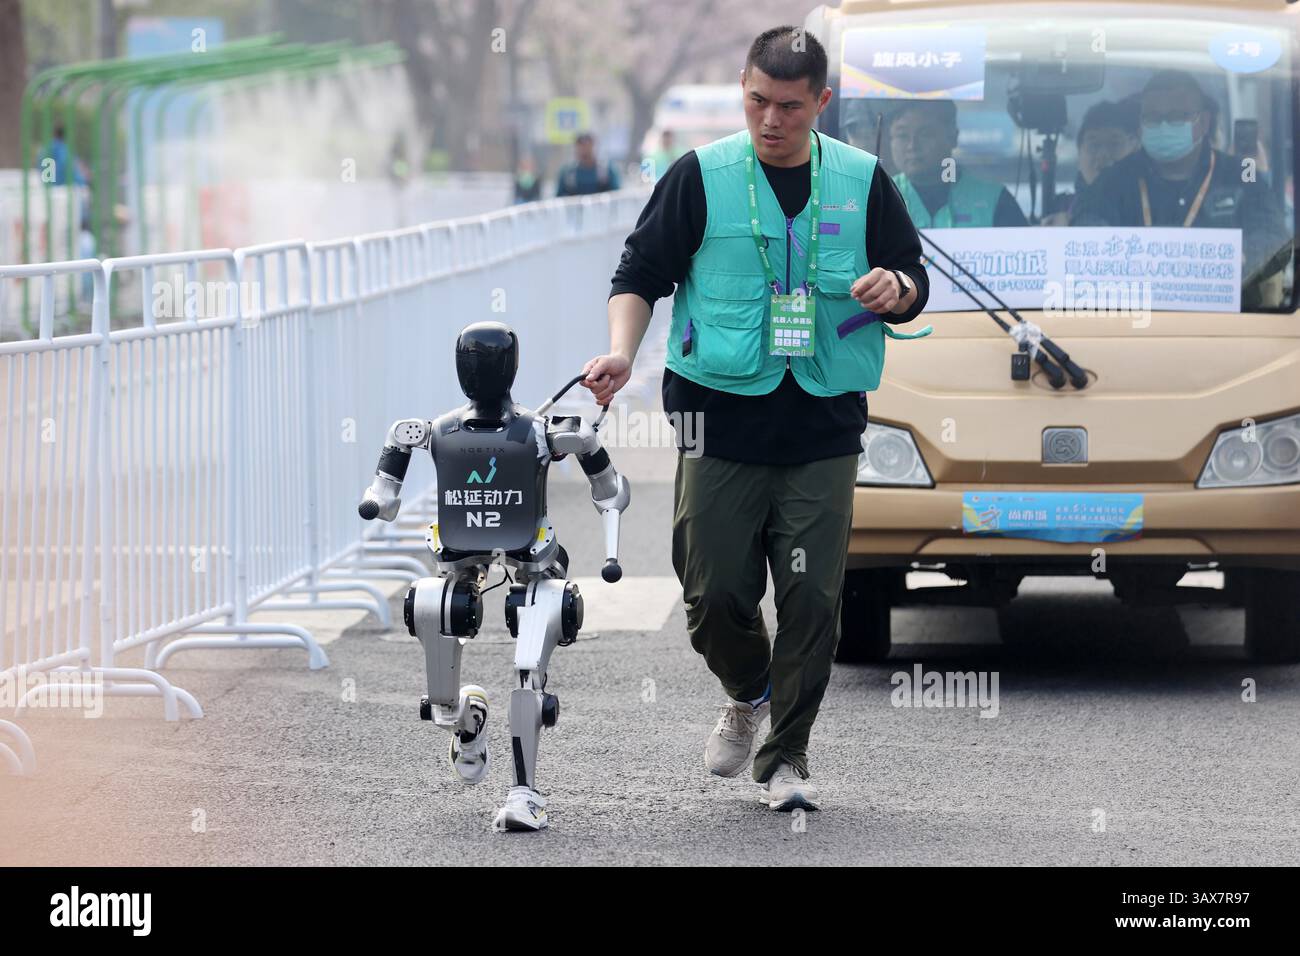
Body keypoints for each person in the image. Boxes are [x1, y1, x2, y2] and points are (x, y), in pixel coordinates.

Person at [581, 26, 931, 812]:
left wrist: (897, 289)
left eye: (790, 107)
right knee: (712, 592)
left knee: (812, 601)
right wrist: (622, 353)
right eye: (757, 101)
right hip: (716, 417)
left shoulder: (862, 180)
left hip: (822, 424)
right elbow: (639, 272)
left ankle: (786, 759)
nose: (771, 119)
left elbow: (912, 276)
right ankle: (750, 690)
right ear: (743, 90)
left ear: (822, 103)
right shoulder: (699, 176)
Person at [1071, 70, 1291, 305]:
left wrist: (1241, 258)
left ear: (1204, 122)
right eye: (1153, 118)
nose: (1164, 126)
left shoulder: (1241, 173)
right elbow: (1086, 227)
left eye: (1177, 117)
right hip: (1134, 312)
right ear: (1141, 125)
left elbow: (1272, 235)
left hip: (1225, 312)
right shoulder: (1114, 179)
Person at [889, 100, 1027, 228]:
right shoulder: (880, 199)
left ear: (953, 137)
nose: (912, 146)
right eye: (902, 135)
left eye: (925, 134)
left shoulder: (995, 200)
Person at [1044, 98, 1139, 225]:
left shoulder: (1153, 204)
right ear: (1079, 156)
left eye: (1114, 144)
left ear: (1134, 150)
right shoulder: (1061, 213)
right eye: (1094, 145)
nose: (1103, 155)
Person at [555, 132, 620, 197]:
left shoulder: (606, 171)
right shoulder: (568, 173)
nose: (584, 151)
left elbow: (616, 196)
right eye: (581, 147)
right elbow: (560, 197)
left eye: (588, 147)